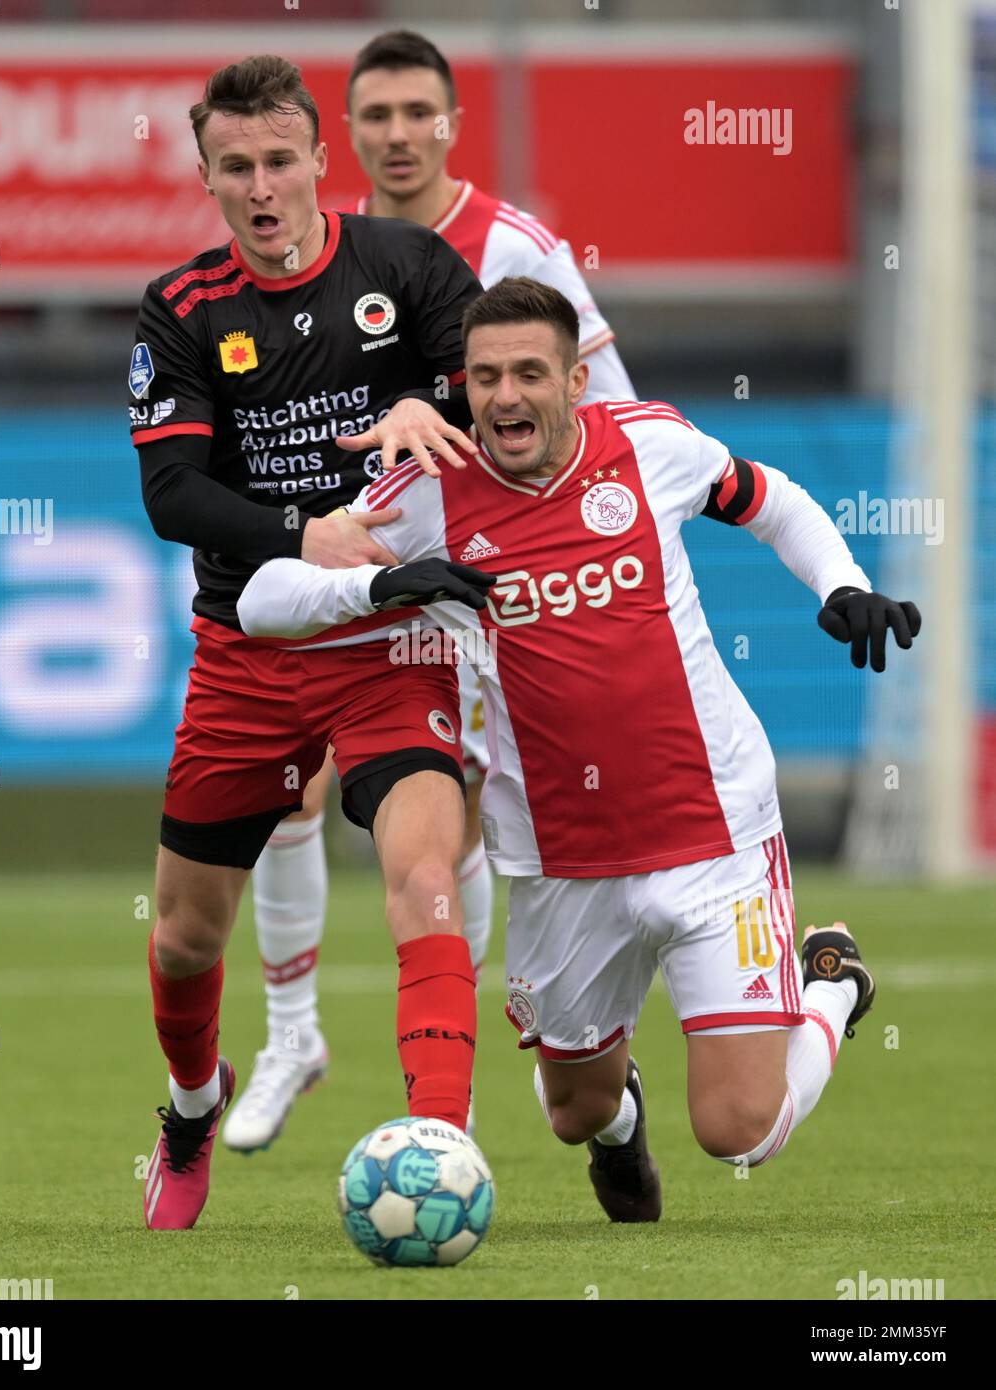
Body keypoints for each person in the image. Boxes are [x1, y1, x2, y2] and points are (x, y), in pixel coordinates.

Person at [237, 277, 920, 1221]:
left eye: (528, 373)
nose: (506, 397)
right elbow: (260, 599)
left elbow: (771, 499)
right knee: (575, 1112)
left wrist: (839, 584)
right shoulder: (426, 492)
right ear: (462, 387)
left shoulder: (648, 446)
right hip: (563, 859)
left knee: (739, 1131)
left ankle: (831, 987)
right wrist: (382, 585)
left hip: (713, 831)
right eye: (484, 378)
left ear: (576, 376)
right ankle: (619, 1128)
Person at [231, 28, 637, 1153]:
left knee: (452, 807)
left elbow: (604, 413)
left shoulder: (511, 243)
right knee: (285, 782)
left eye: (419, 113)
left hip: (483, 579)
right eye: (376, 117)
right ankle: (291, 1032)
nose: (398, 135)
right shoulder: (314, 247)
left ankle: (536, 1036)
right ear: (340, 136)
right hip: (351, 564)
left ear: (451, 124)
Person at [130, 53, 495, 1230]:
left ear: (317, 163)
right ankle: (191, 1107)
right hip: (248, 650)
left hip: (393, 642)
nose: (262, 186)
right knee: (185, 935)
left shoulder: (409, 268)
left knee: (424, 878)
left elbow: (504, 411)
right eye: (234, 168)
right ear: (207, 180)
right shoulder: (181, 310)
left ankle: (441, 1142)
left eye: (280, 160)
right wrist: (304, 528)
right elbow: (172, 490)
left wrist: (431, 407)